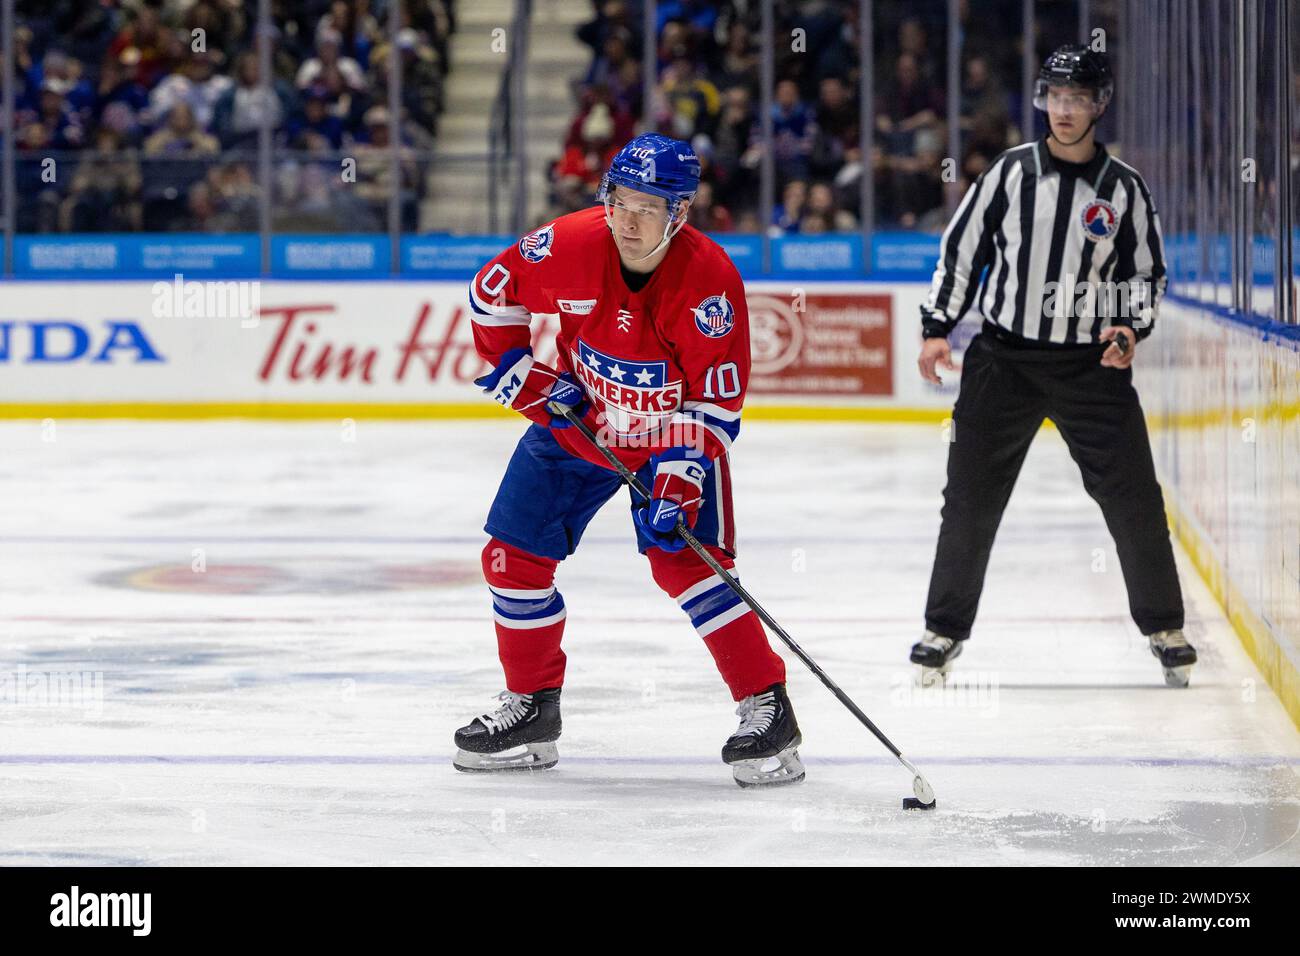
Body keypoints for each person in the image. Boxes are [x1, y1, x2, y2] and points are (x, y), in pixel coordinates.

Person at [454, 133, 803, 788]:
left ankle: (768, 705)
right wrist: (523, 376)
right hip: (581, 423)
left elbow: (716, 399)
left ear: (680, 212)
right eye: (621, 201)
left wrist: (679, 477)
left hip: (670, 434)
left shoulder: (709, 283)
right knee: (511, 557)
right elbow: (491, 292)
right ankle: (532, 706)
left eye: (649, 207)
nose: (629, 220)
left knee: (688, 566)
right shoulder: (568, 244)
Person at [912, 46, 1196, 688]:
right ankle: (943, 629)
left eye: (1078, 100)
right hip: (1002, 361)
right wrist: (936, 328)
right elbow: (961, 253)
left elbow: (1145, 274)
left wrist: (1130, 326)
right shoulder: (1009, 174)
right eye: (1057, 98)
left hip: (1091, 368)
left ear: (1099, 106)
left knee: (1134, 498)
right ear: (1044, 101)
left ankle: (1165, 627)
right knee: (970, 500)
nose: (1065, 111)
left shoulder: (1124, 188)